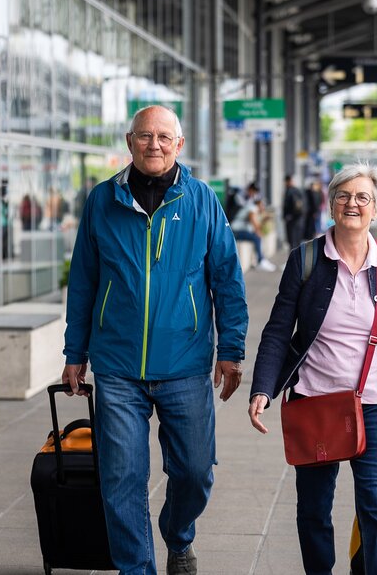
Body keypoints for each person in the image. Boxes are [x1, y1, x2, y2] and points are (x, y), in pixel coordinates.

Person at [63, 105, 248, 575]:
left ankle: (178, 533)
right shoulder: (102, 200)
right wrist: (75, 352)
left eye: (164, 137)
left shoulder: (202, 200)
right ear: (129, 142)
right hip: (117, 365)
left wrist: (231, 349)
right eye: (145, 136)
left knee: (194, 472)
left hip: (185, 362)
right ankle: (137, 569)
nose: (154, 145)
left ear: (179, 145)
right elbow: (83, 280)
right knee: (122, 477)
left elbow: (227, 279)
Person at [246, 162, 377, 575]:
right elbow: (279, 331)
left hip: (376, 406)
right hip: (315, 403)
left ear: (376, 209)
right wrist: (262, 388)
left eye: (362, 198)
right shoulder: (306, 260)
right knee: (314, 510)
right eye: (344, 196)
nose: (352, 204)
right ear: (330, 204)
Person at [232, 183, 277, 272]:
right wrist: (258, 230)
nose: (263, 207)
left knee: (256, 236)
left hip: (237, 230)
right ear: (259, 204)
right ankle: (260, 261)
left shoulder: (253, 208)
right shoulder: (252, 208)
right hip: (235, 231)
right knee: (256, 237)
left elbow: (257, 222)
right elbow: (253, 220)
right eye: (262, 205)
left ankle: (260, 259)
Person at [282, 175, 307, 250]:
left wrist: (288, 215)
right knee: (296, 241)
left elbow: (295, 205)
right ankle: (296, 259)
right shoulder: (297, 190)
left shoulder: (290, 191)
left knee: (292, 241)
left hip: (292, 219)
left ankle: (293, 260)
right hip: (299, 219)